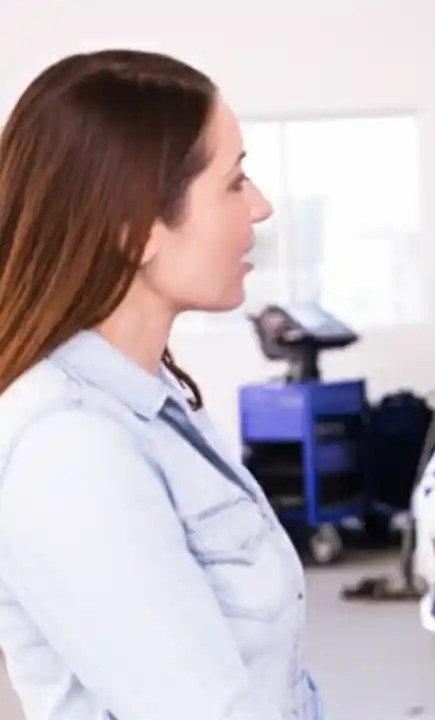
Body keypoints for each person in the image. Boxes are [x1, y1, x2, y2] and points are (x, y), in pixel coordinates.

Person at [0, 50, 320, 719]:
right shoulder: (69, 447)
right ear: (134, 232)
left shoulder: (152, 403)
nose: (259, 207)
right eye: (234, 183)